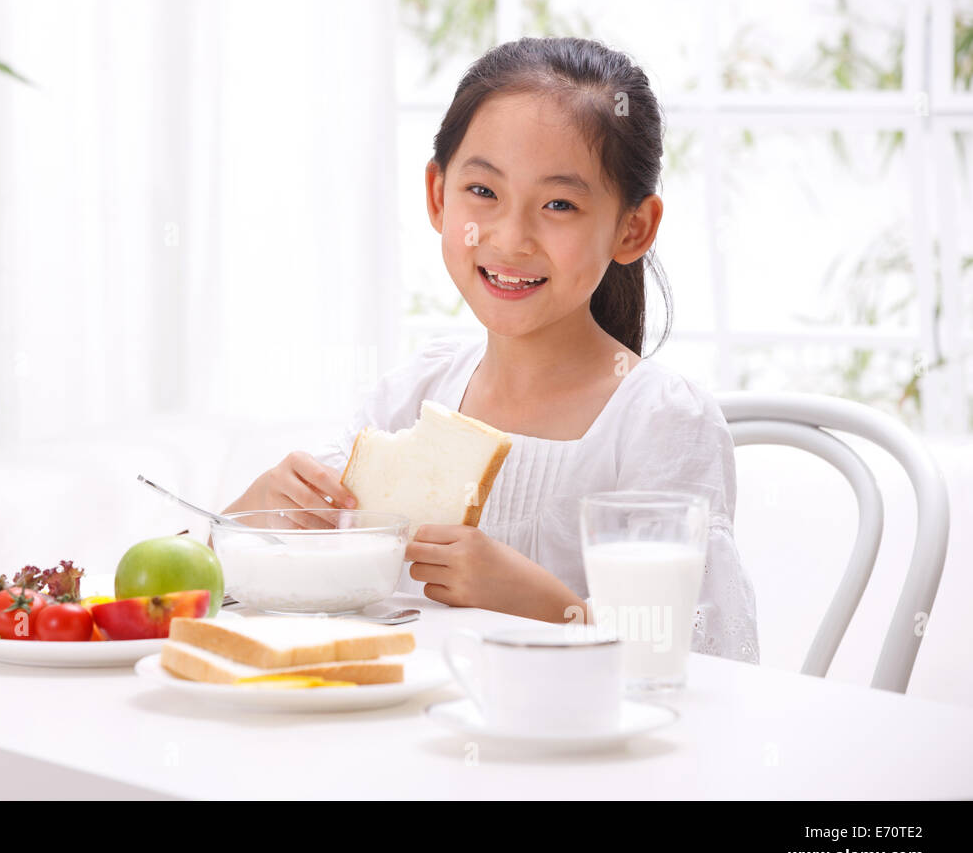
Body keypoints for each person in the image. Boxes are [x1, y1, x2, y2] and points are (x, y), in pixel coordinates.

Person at [222, 37, 758, 664]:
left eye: (559, 204)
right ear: (437, 194)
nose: (511, 237)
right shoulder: (412, 396)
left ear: (632, 228)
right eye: (483, 192)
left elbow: (712, 668)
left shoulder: (662, 422)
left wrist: (546, 605)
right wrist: (254, 511)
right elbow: (217, 591)